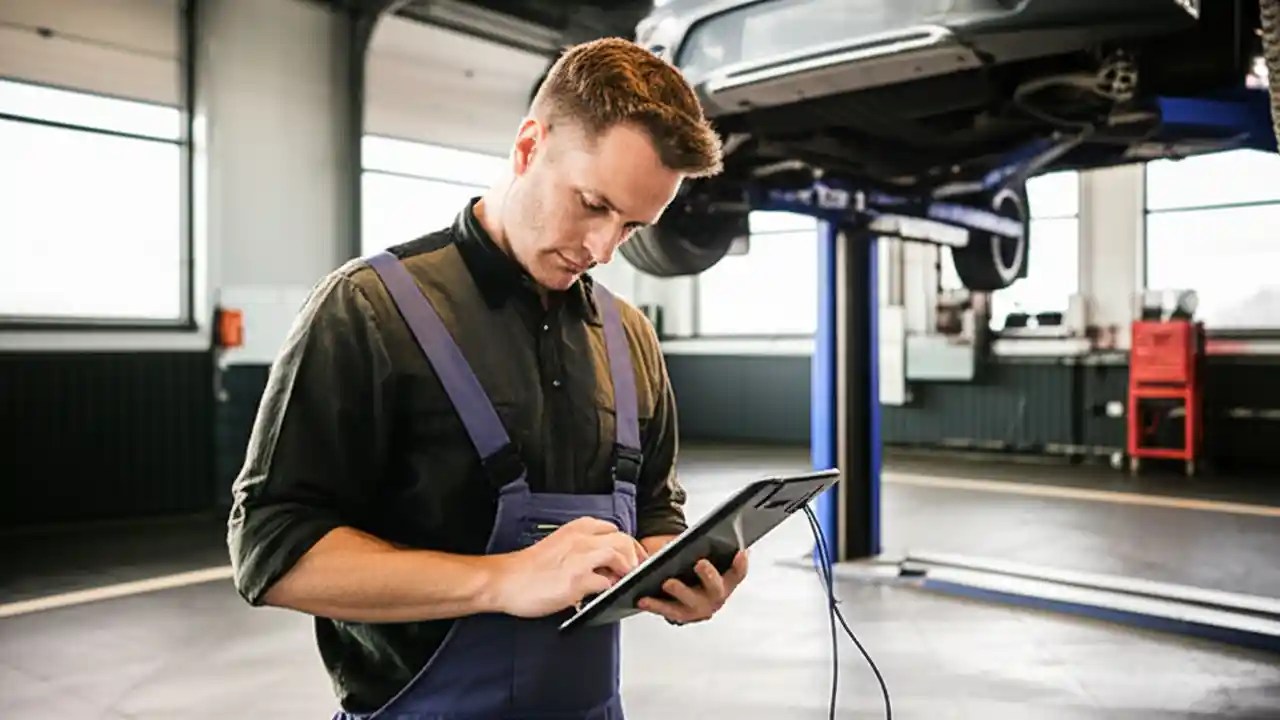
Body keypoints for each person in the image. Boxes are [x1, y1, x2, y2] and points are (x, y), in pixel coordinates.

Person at [226, 37, 748, 719]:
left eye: (631, 226)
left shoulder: (631, 339)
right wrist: (499, 580)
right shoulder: (368, 309)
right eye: (592, 203)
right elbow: (272, 550)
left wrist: (677, 572)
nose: (601, 249)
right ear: (529, 147)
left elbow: (654, 509)